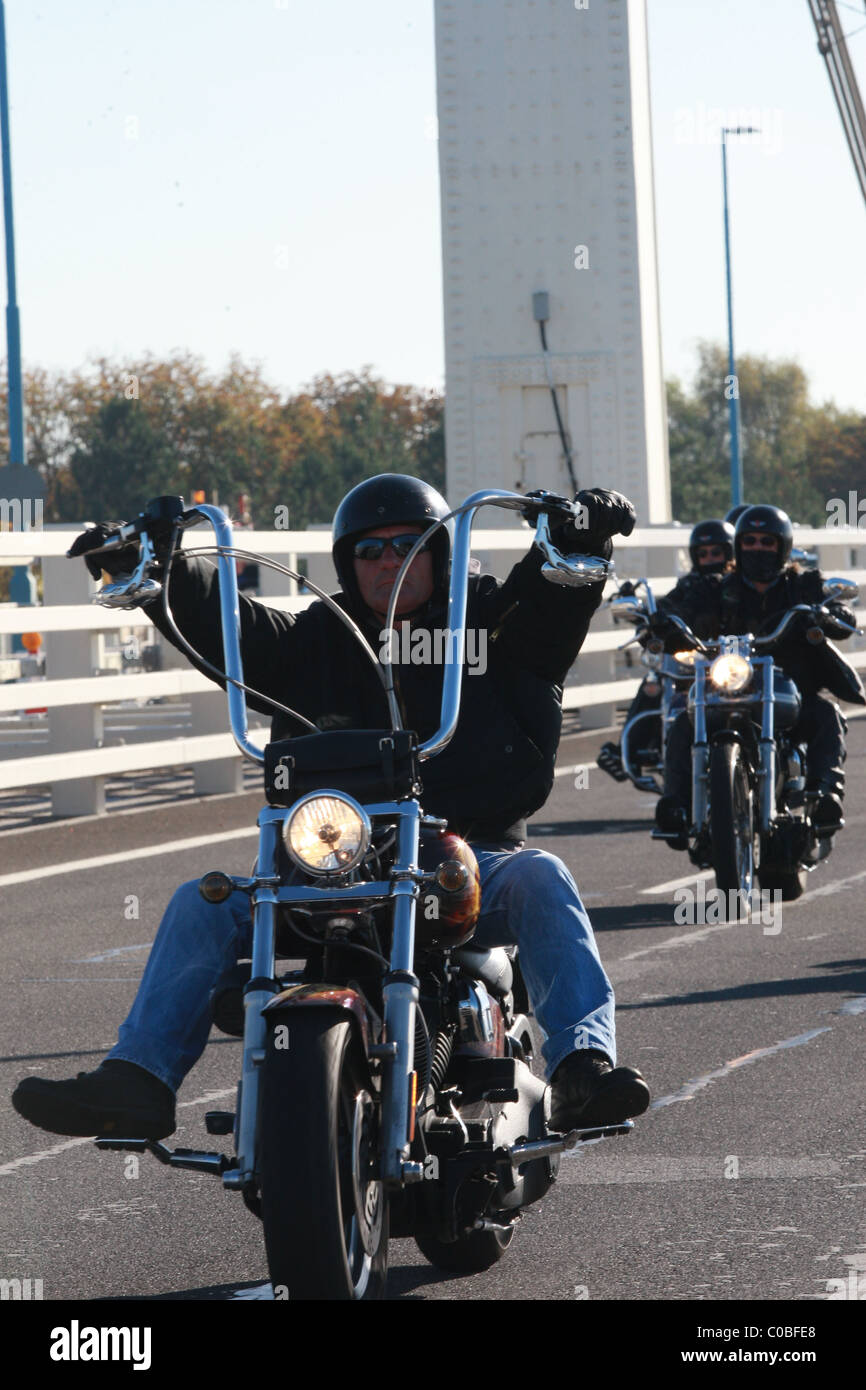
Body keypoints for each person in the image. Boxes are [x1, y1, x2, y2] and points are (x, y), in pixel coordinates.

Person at [12, 474, 650, 1141]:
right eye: (370, 551)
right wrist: (163, 569)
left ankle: (583, 1066)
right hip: (330, 863)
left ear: (441, 555)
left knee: (543, 876)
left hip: (466, 857)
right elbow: (240, 630)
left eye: (409, 545)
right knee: (204, 901)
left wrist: (579, 541)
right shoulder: (323, 635)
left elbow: (546, 611)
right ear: (349, 563)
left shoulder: (486, 621)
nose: (389, 562)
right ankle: (137, 1079)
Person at [654, 504, 863, 846]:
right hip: (726, 688)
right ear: (738, 546)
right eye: (749, 541)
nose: (757, 548)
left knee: (826, 714)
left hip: (790, 691)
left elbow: (837, 607)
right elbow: (677, 604)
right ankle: (675, 806)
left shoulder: (803, 585)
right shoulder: (716, 586)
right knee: (682, 722)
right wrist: (662, 620)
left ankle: (826, 796)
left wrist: (829, 613)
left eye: (767, 541)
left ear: (782, 546)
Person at [597, 518, 734, 783]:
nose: (709, 558)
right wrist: (647, 616)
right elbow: (668, 608)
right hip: (695, 656)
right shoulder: (689, 584)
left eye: (716, 552)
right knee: (654, 682)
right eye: (703, 554)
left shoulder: (740, 584)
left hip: (732, 660)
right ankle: (633, 751)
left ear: (729, 553)